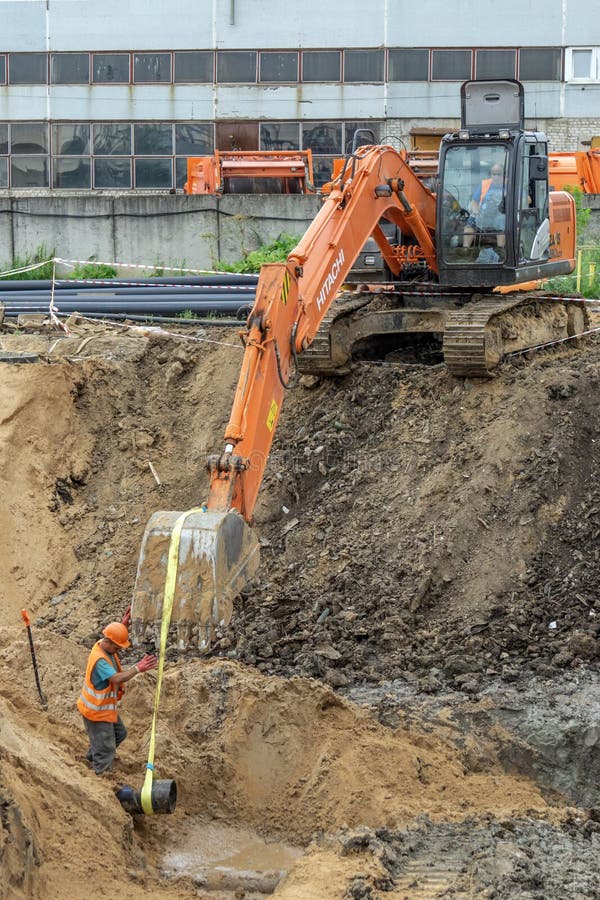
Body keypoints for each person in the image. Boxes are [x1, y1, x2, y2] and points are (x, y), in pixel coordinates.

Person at [77, 614, 157, 776]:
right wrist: (138, 668)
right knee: (107, 749)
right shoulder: (100, 660)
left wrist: (123, 626)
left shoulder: (103, 644)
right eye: (117, 647)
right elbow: (116, 678)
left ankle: (93, 756)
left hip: (104, 708)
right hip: (96, 711)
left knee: (119, 733)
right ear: (108, 642)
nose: (119, 650)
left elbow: (113, 638)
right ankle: (102, 774)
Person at [463, 164, 506, 259]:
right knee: (470, 223)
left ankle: (501, 249)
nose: (496, 177)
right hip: (484, 214)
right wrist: (475, 211)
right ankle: (466, 249)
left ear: (504, 175)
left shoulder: (510, 185)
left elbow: (526, 199)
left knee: (501, 222)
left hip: (501, 214)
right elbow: (474, 201)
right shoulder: (485, 184)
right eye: (494, 174)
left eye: (498, 174)